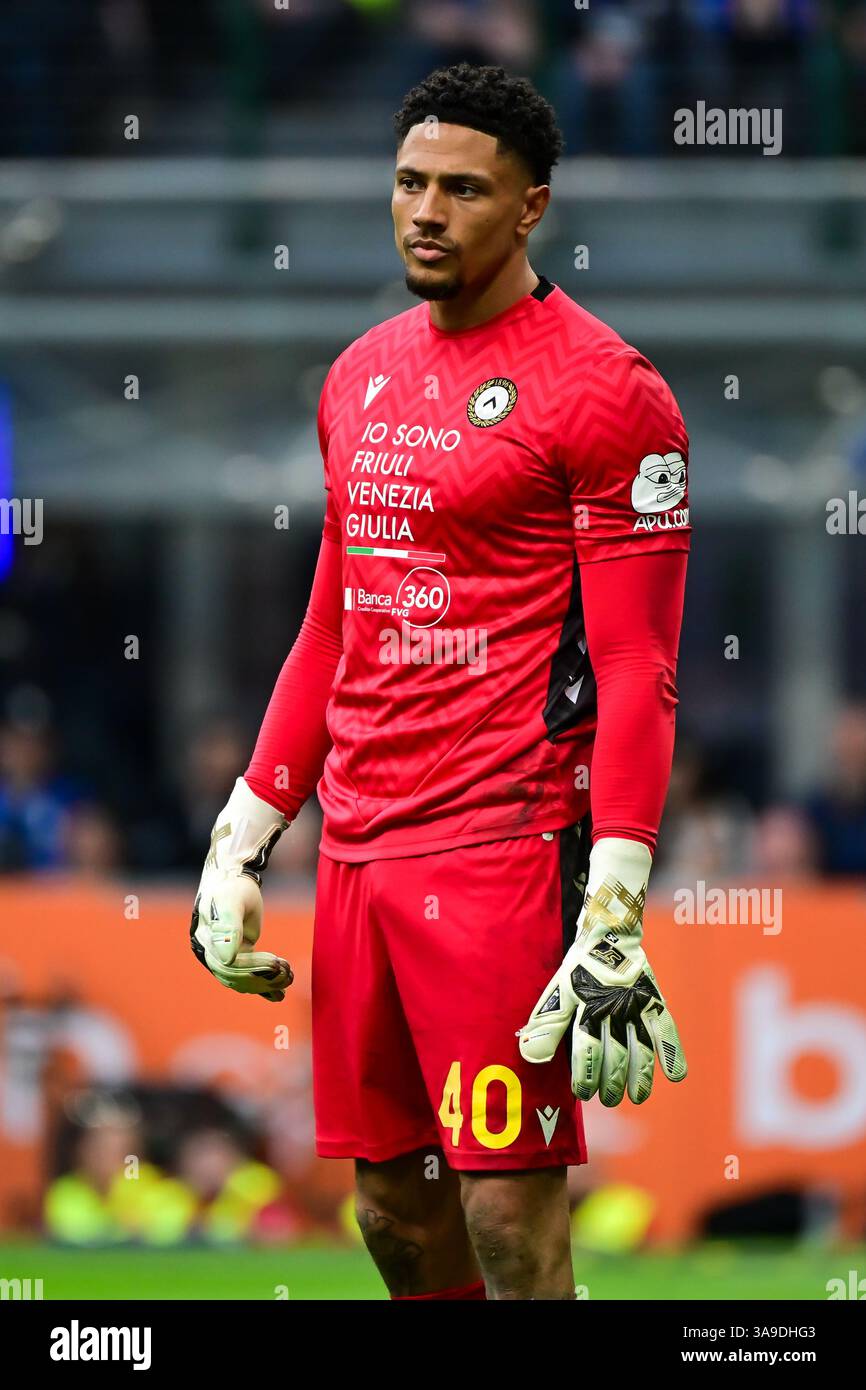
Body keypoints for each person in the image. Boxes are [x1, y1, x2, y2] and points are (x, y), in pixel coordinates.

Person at [190, 63, 691, 1301]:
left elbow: (636, 664)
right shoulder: (356, 373)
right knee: (393, 1218)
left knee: (509, 1219)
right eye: (409, 182)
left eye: (462, 190)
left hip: (502, 843)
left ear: (530, 209)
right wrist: (243, 833)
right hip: (357, 847)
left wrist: (615, 897)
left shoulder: (610, 393)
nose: (425, 210)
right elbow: (330, 624)